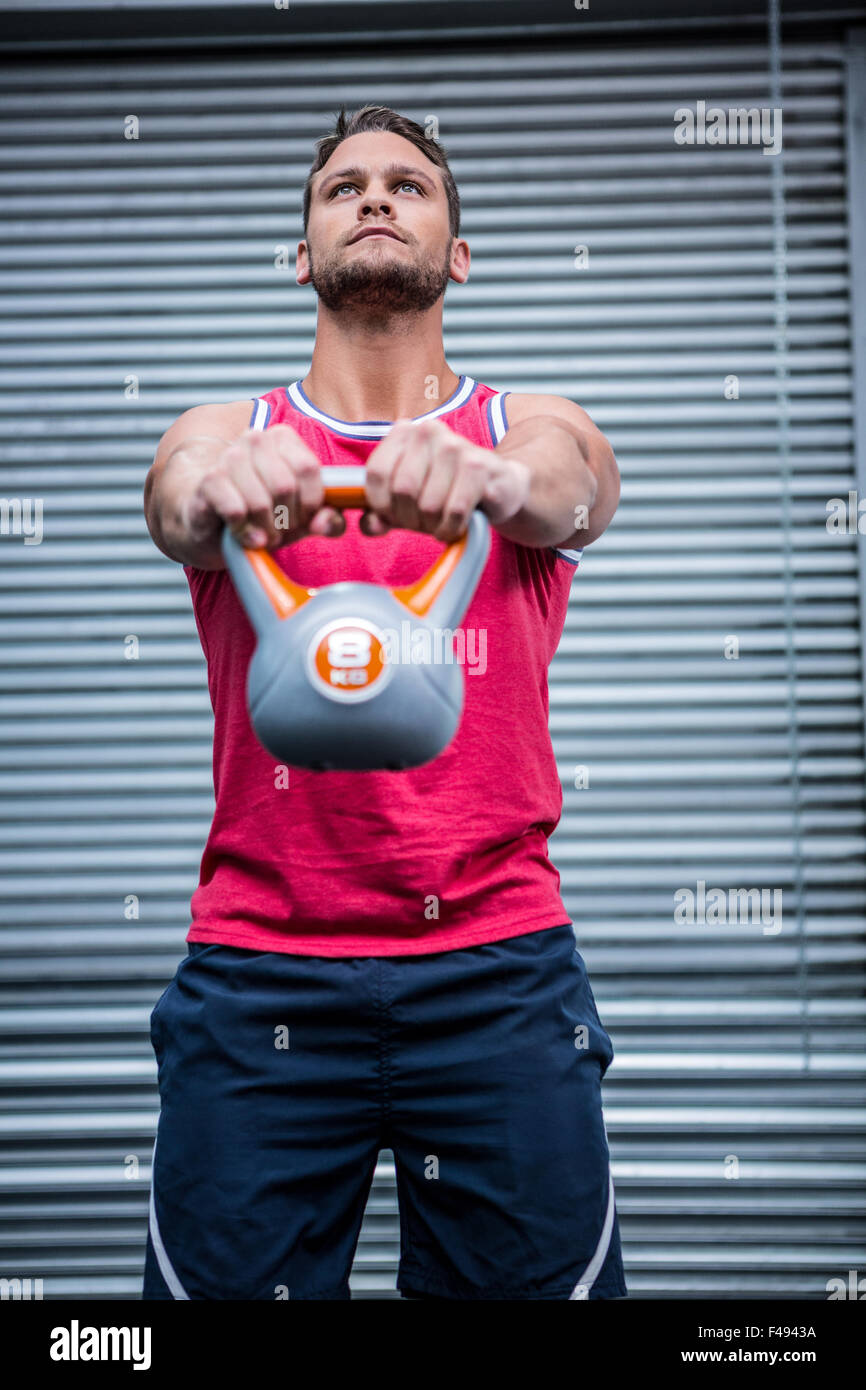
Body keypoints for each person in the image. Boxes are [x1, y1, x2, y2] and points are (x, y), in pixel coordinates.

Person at [141, 104, 624, 1301]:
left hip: (499, 973)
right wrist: (219, 488)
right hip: (259, 979)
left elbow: (576, 492)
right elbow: (172, 495)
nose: (372, 198)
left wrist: (498, 477)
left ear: (456, 254)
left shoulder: (524, 427)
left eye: (407, 185)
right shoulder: (228, 432)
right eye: (342, 187)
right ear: (301, 253)